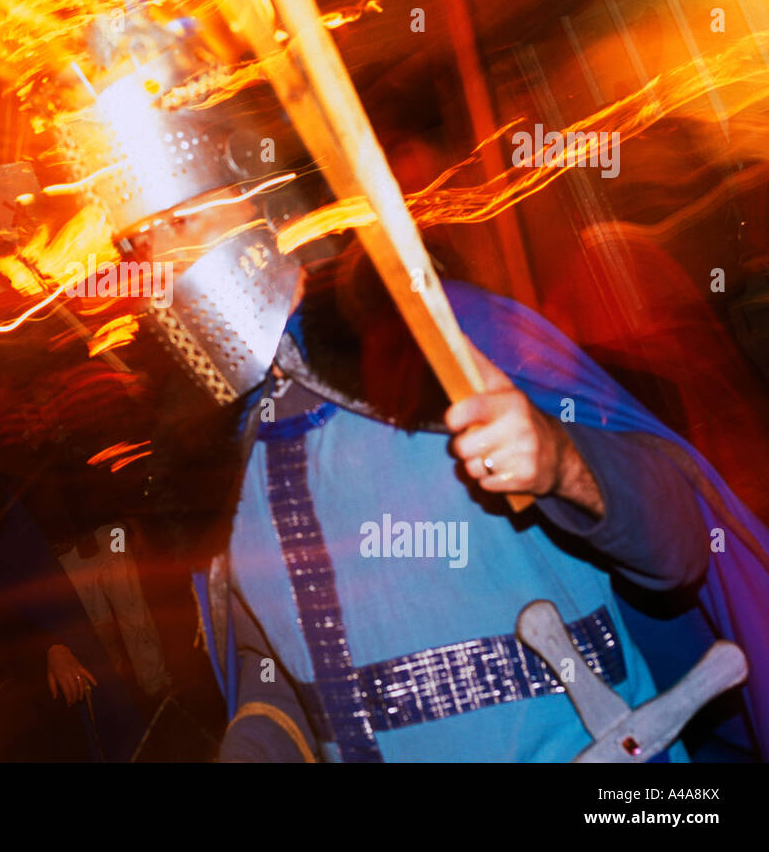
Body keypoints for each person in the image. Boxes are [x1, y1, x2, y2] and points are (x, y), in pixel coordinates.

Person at [172, 251, 769, 762]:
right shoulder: (221, 452)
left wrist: (562, 461)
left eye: (173, 224)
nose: (152, 256)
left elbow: (680, 548)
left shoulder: (444, 341)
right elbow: (283, 678)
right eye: (134, 242)